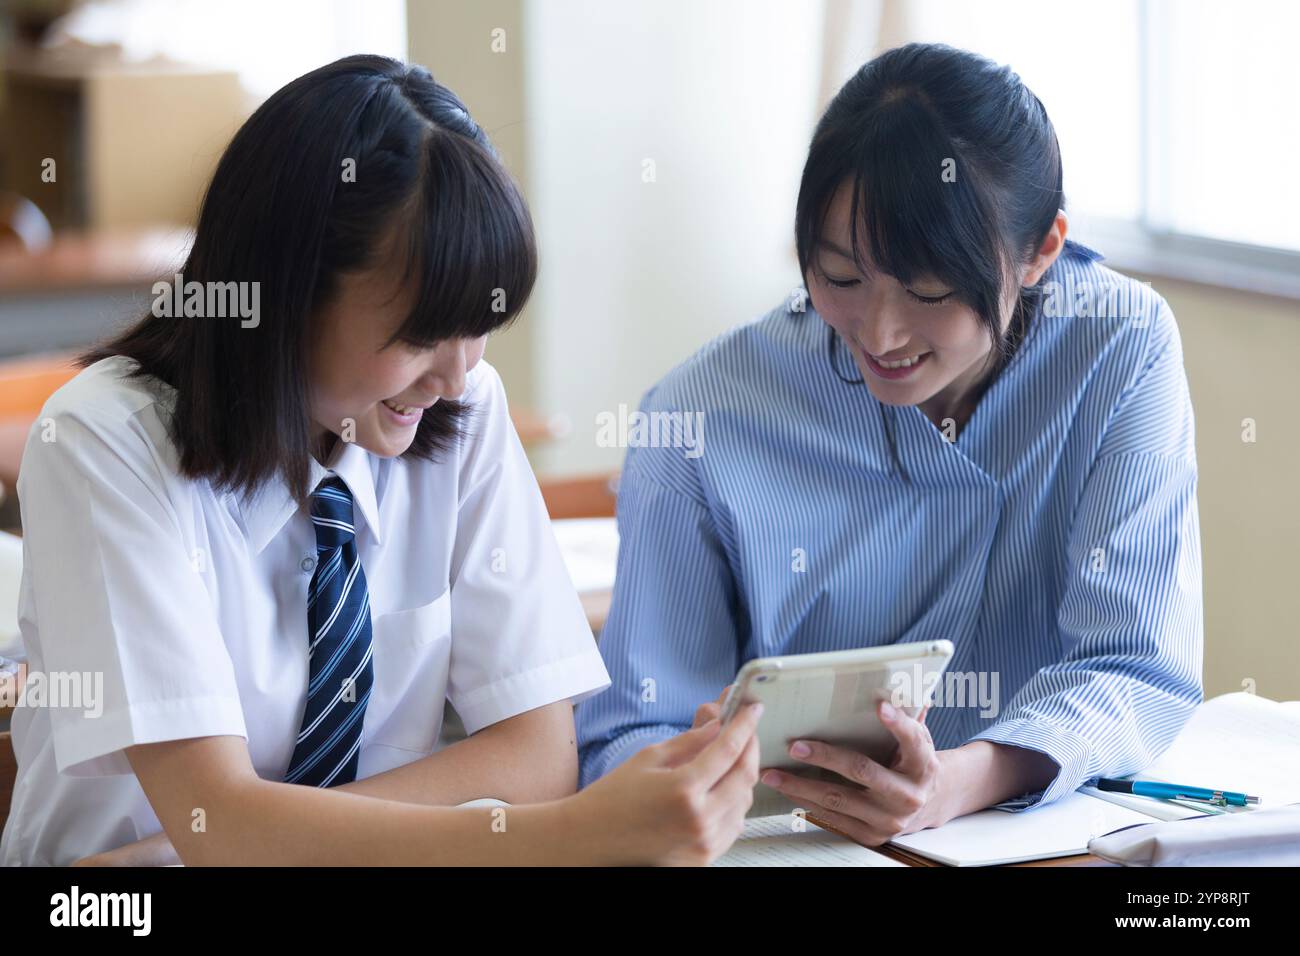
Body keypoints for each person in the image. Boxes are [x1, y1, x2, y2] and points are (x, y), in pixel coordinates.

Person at [1, 55, 759, 867]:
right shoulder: (103, 441)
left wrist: (256, 838)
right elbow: (212, 819)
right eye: (421, 334)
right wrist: (575, 835)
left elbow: (539, 755)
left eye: (478, 325)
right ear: (287, 293)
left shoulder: (462, 410)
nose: (458, 372)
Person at [577, 43, 1203, 847]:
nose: (880, 333)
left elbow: (1136, 665)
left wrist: (959, 781)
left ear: (1042, 250)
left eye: (932, 291)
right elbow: (629, 735)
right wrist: (695, 769)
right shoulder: (701, 417)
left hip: (1045, 842)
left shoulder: (1120, 344)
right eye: (840, 276)